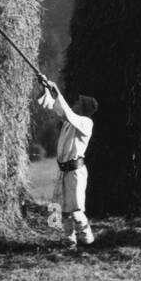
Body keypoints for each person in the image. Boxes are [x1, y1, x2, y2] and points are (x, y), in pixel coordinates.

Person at [37, 79, 97, 250]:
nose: (75, 103)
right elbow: (55, 107)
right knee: (63, 211)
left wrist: (58, 92)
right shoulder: (68, 123)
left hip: (76, 172)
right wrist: (45, 89)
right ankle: (69, 242)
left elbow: (68, 112)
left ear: (84, 108)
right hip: (64, 171)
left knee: (77, 211)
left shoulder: (86, 123)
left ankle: (88, 240)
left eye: (79, 102)